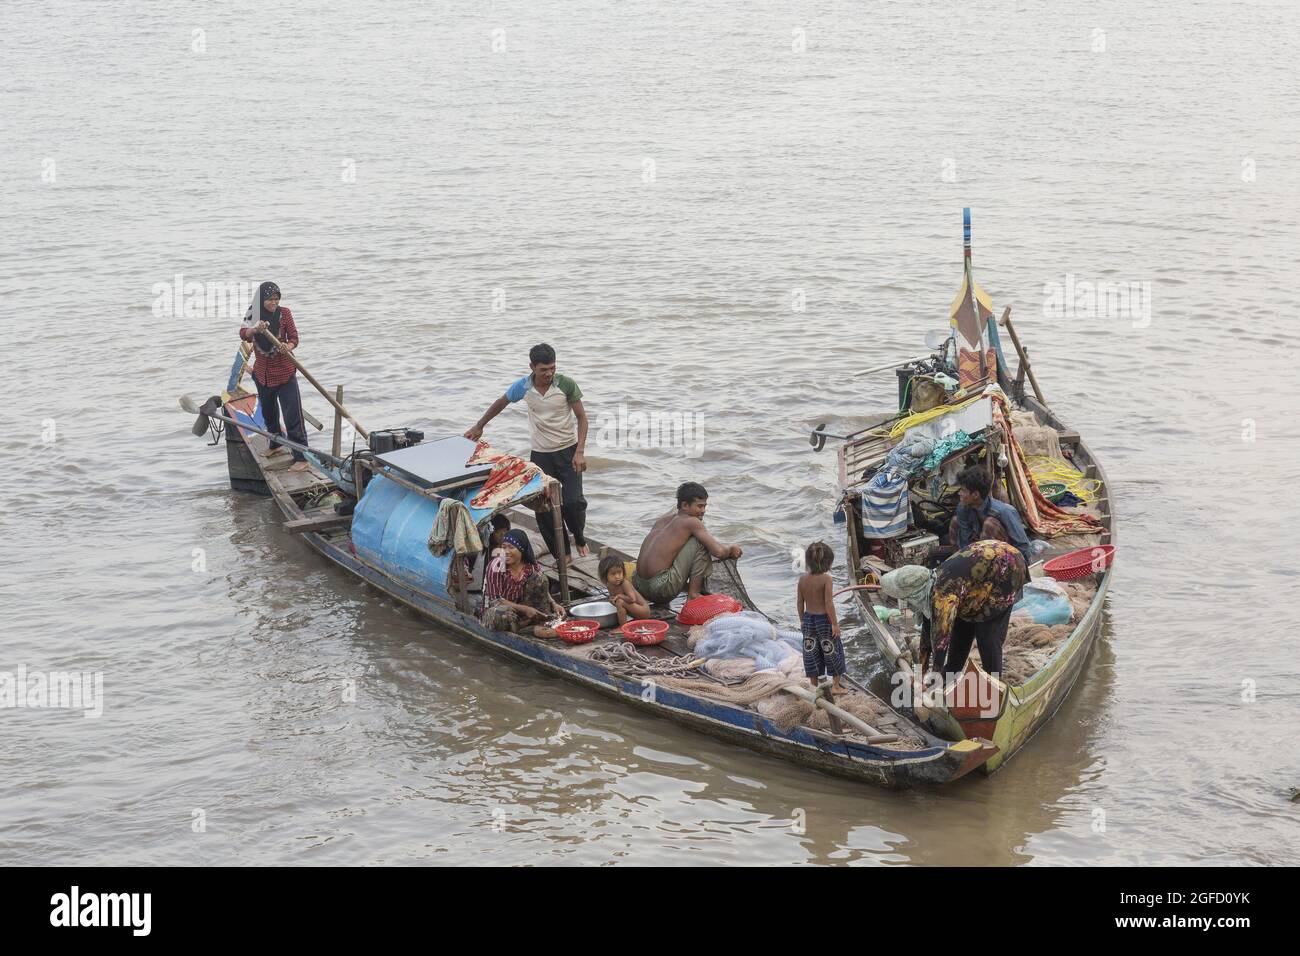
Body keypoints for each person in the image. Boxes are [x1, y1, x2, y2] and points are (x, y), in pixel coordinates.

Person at [465, 344, 589, 561]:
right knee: (543, 508)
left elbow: (582, 417)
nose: (549, 373)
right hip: (541, 455)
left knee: (574, 502)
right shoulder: (523, 387)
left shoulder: (566, 385)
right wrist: (479, 425)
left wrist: (580, 451)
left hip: (568, 450)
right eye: (544, 369)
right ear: (532, 367)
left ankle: (578, 537)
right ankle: (563, 553)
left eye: (552, 368)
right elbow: (500, 403)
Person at [880, 539, 1028, 680]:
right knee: (961, 627)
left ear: (912, 594)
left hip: (1008, 568)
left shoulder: (942, 599)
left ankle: (993, 683)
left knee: (987, 635)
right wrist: (921, 673)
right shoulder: (929, 586)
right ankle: (950, 674)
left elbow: (940, 644)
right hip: (980, 572)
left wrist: (932, 679)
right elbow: (926, 635)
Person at [239, 281, 311, 473]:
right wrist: (255, 329)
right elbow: (243, 333)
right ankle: (275, 445)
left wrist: (288, 346)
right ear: (261, 299)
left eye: (276, 299)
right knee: (269, 413)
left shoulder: (285, 313)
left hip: (285, 371)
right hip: (263, 373)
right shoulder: (252, 314)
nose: (273, 302)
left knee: (292, 415)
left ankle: (301, 457)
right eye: (269, 299)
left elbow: (294, 337)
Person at [632, 482, 742, 605]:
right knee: (699, 541)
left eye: (704, 506)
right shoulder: (692, 522)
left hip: (638, 584)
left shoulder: (662, 521)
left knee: (688, 542)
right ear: (684, 505)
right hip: (660, 588)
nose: (703, 511)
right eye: (699, 506)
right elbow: (719, 552)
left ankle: (686, 588)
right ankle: (693, 594)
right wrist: (731, 549)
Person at [480, 530, 564, 638]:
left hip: (520, 609)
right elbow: (495, 600)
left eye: (511, 547)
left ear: (521, 549)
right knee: (502, 615)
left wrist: (553, 603)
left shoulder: (531, 565)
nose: (506, 551)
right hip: (496, 611)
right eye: (504, 547)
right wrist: (525, 609)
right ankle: (526, 630)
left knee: (541, 579)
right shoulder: (496, 566)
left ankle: (537, 622)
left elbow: (544, 588)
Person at [948, 465, 1032, 564]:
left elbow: (1023, 546)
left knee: (989, 524)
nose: (959, 493)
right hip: (979, 548)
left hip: (1006, 558)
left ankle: (988, 568)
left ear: (975, 495)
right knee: (955, 521)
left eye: (963, 490)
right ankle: (959, 563)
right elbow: (965, 542)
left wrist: (1022, 569)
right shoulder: (962, 508)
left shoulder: (1004, 511)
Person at [797, 541, 845, 696]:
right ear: (828, 563)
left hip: (808, 619)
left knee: (811, 651)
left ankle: (814, 684)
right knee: (832, 650)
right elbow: (828, 603)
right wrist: (835, 624)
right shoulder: (826, 579)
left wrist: (802, 620)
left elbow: (799, 602)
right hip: (824, 621)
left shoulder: (802, 579)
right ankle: (836, 686)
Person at [599, 555, 651, 625]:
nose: (617, 577)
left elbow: (632, 599)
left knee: (620, 602)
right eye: (613, 574)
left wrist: (620, 596)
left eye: (619, 573)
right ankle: (624, 622)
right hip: (633, 611)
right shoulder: (609, 585)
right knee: (616, 601)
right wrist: (611, 599)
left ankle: (622, 627)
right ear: (605, 576)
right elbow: (614, 598)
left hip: (643, 611)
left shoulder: (625, 583)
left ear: (623, 572)